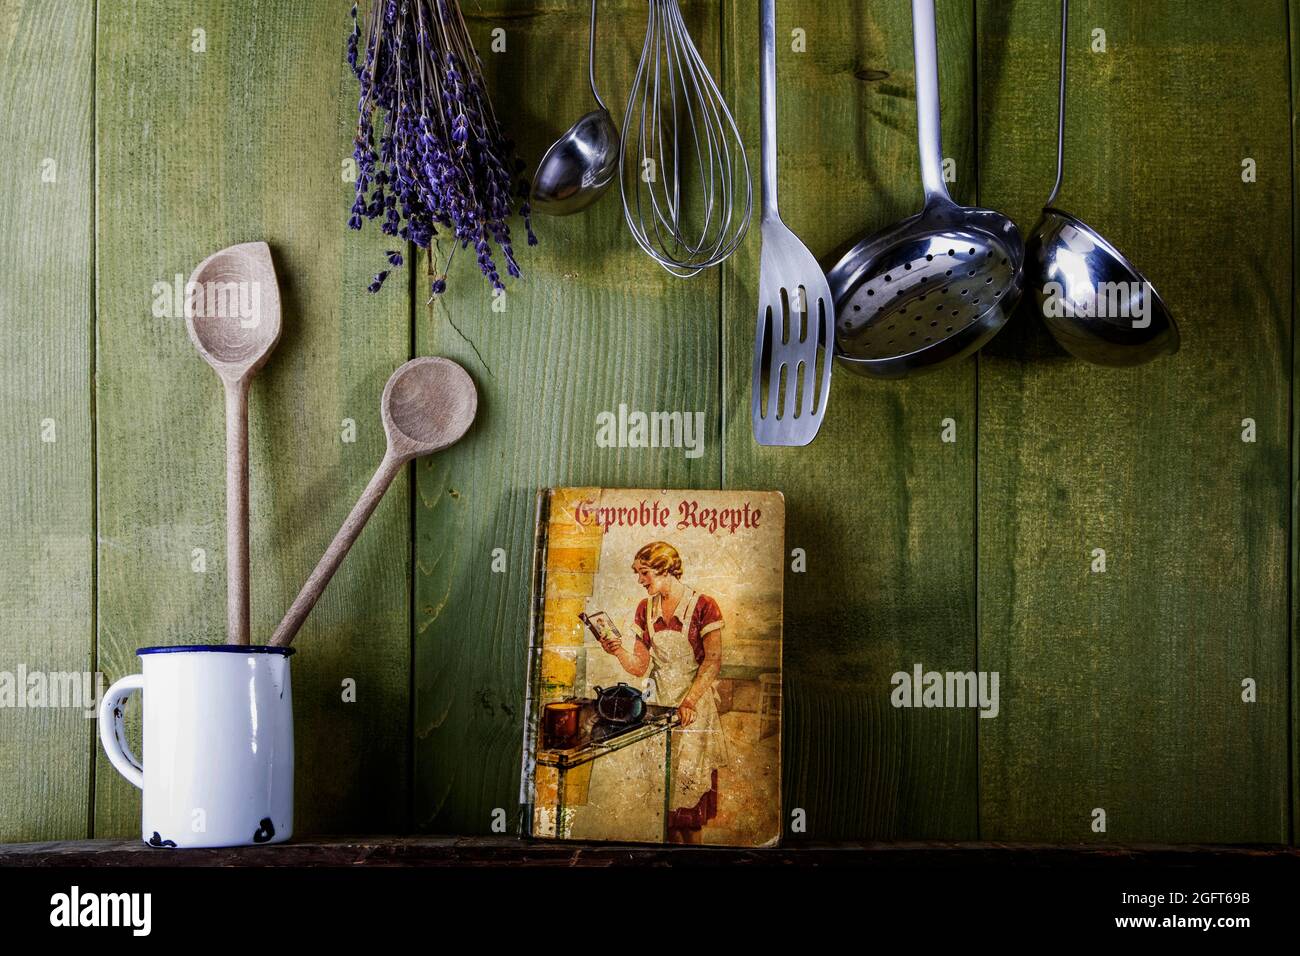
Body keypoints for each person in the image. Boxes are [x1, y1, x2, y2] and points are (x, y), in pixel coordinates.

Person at [597, 541, 728, 843]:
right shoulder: (645, 608)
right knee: (664, 796)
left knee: (688, 797)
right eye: (637, 573)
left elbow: (713, 660)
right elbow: (640, 667)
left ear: (665, 569)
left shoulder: (703, 605)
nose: (640, 580)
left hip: (692, 707)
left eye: (644, 573)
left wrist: (690, 701)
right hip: (658, 706)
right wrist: (616, 651)